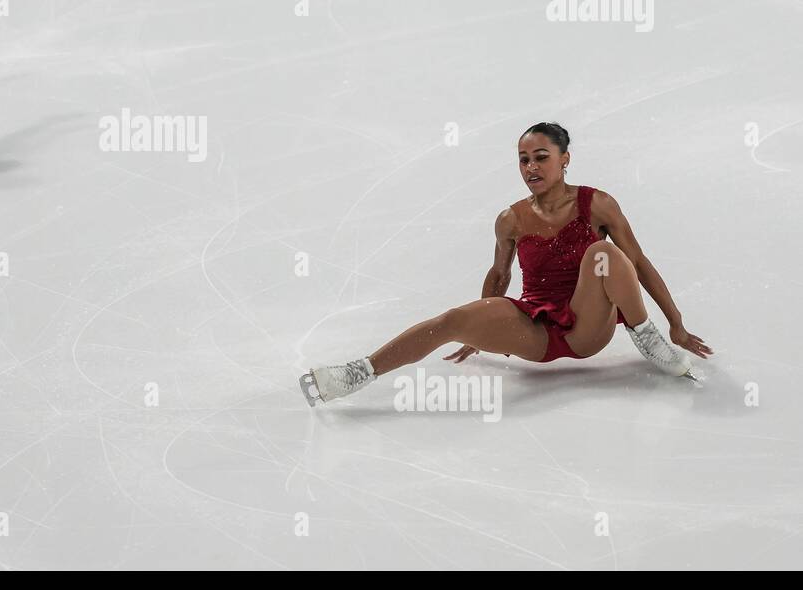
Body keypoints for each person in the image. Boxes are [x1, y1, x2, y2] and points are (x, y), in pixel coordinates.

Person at [299, 121, 713, 405]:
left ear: (565, 158)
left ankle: (650, 340)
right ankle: (356, 373)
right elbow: (500, 275)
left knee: (603, 254)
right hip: (537, 329)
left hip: (588, 327)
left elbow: (636, 261)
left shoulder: (597, 204)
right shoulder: (510, 219)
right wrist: (477, 329)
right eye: (523, 159)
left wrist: (675, 321)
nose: (530, 167)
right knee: (451, 319)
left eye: (541, 157)